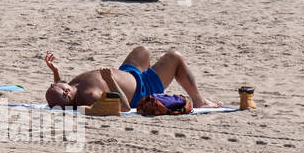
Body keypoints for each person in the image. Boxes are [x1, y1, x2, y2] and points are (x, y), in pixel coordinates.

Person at [43, 47, 219, 110]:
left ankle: (156, 75)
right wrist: (111, 80)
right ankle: (198, 100)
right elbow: (125, 108)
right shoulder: (90, 95)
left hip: (128, 74)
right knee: (175, 57)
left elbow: (62, 98)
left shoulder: (71, 89)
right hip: (142, 88)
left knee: (143, 50)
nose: (54, 82)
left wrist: (56, 72)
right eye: (55, 85)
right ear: (66, 92)